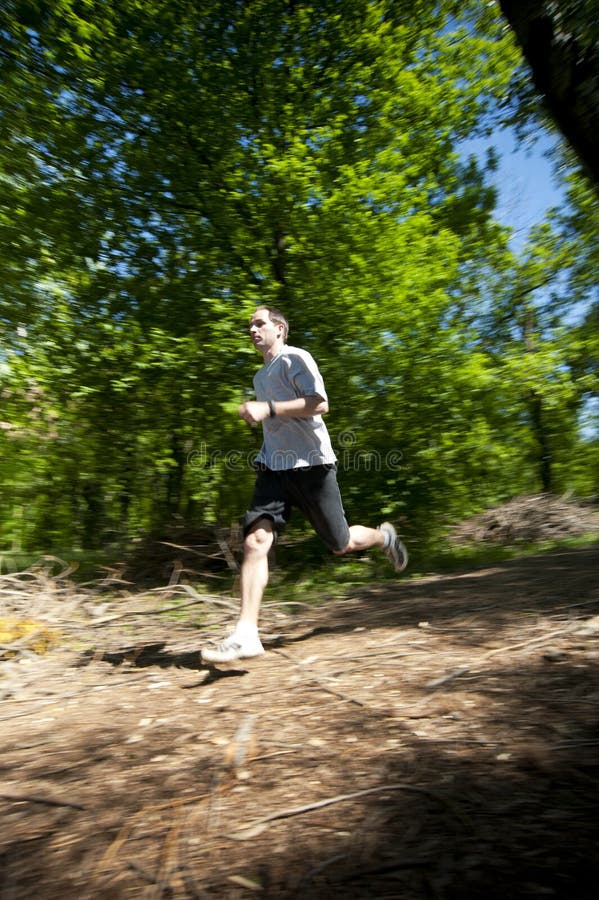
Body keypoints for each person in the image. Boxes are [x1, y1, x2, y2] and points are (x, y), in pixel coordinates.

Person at [201, 306, 407, 664]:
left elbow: (319, 403)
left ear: (279, 329)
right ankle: (246, 633)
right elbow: (274, 424)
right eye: (250, 324)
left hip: (313, 467)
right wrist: (265, 440)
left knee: (341, 543)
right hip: (274, 470)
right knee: (255, 540)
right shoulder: (260, 375)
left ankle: (383, 537)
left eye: (259, 323)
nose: (252, 329)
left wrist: (268, 408)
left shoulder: (296, 359)